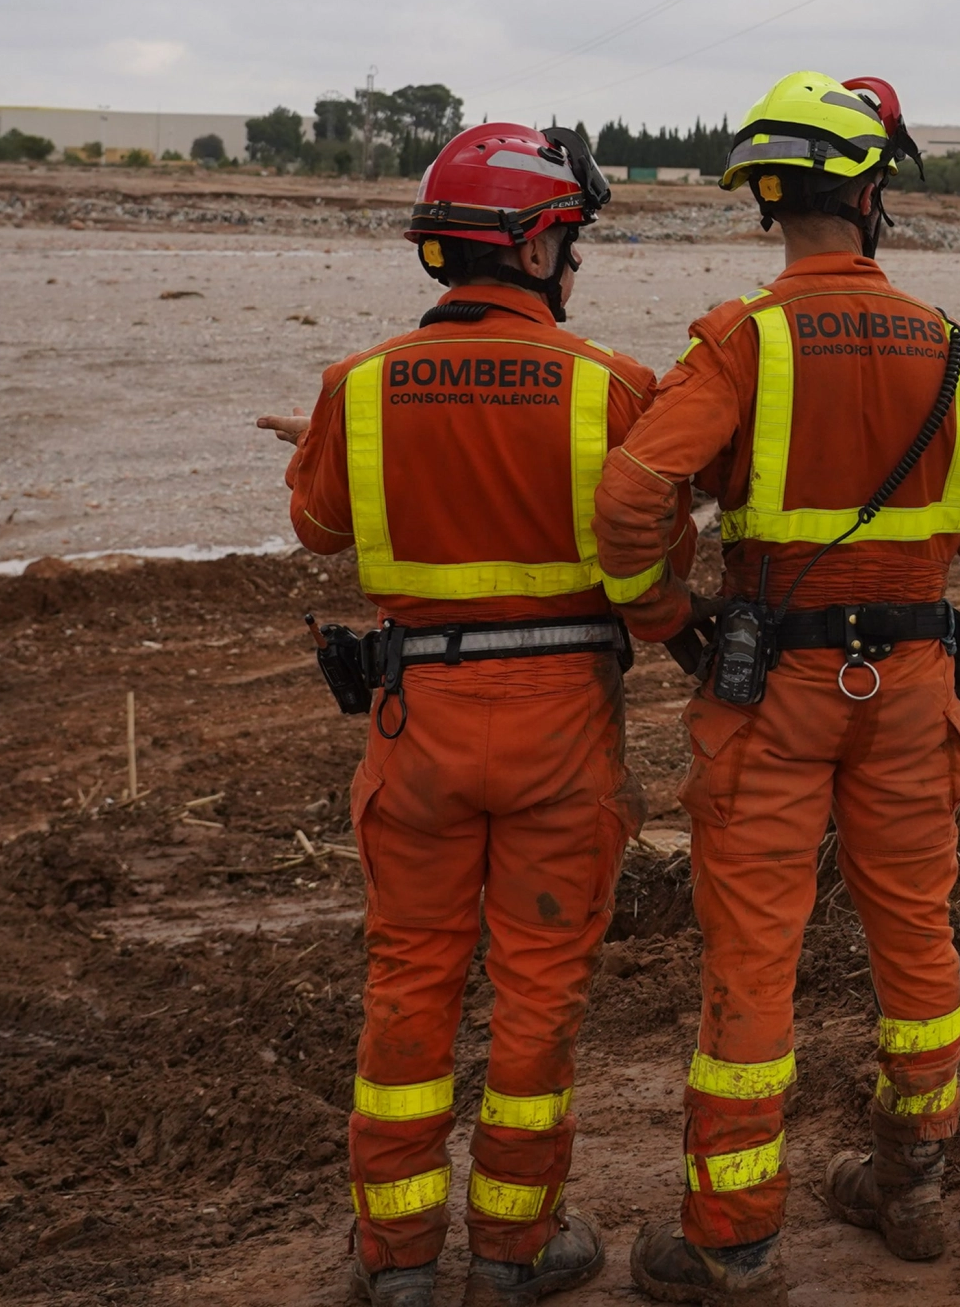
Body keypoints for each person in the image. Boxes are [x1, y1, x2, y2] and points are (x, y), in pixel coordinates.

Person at [591, 71, 960, 1303]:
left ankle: (731, 1243)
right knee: (917, 938)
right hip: (913, 687)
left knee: (753, 954)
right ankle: (912, 1184)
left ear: (766, 206)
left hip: (773, 685)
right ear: (873, 192)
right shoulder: (957, 350)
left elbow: (631, 499)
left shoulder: (741, 340)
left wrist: (672, 620)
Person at [258, 122, 689, 1307]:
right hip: (561, 723)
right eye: (572, 244)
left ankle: (393, 1256)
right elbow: (652, 549)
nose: (577, 266)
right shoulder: (612, 385)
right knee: (540, 986)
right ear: (542, 241)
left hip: (418, 725)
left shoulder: (358, 383)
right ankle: (515, 1247)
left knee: (410, 977)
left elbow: (318, 528)